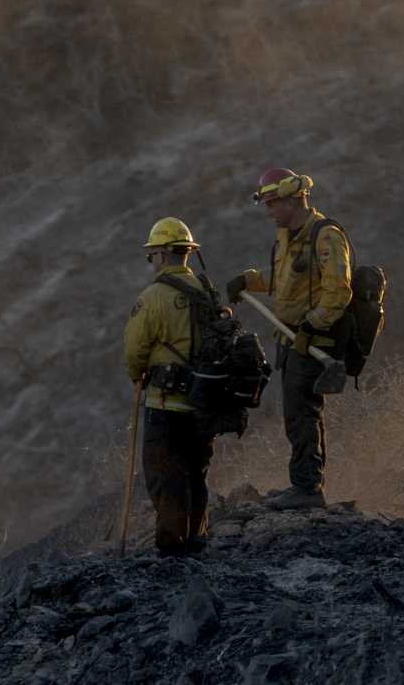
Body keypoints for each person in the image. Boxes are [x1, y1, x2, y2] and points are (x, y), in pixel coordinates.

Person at [226, 168, 351, 510]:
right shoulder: (287, 237)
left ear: (293, 200)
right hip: (292, 339)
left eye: (272, 204)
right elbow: (285, 280)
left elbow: (338, 291)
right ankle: (304, 483)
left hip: (314, 341)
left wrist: (312, 325)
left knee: (302, 413)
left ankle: (308, 489)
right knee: (296, 413)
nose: (269, 212)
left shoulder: (325, 236)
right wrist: (249, 281)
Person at [123, 216, 219, 554]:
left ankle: (172, 549)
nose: (153, 262)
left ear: (162, 254)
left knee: (167, 478)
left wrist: (138, 375)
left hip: (165, 405)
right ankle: (197, 540)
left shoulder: (154, 297)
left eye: (153, 255)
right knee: (196, 473)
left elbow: (135, 350)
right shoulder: (207, 293)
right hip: (203, 405)